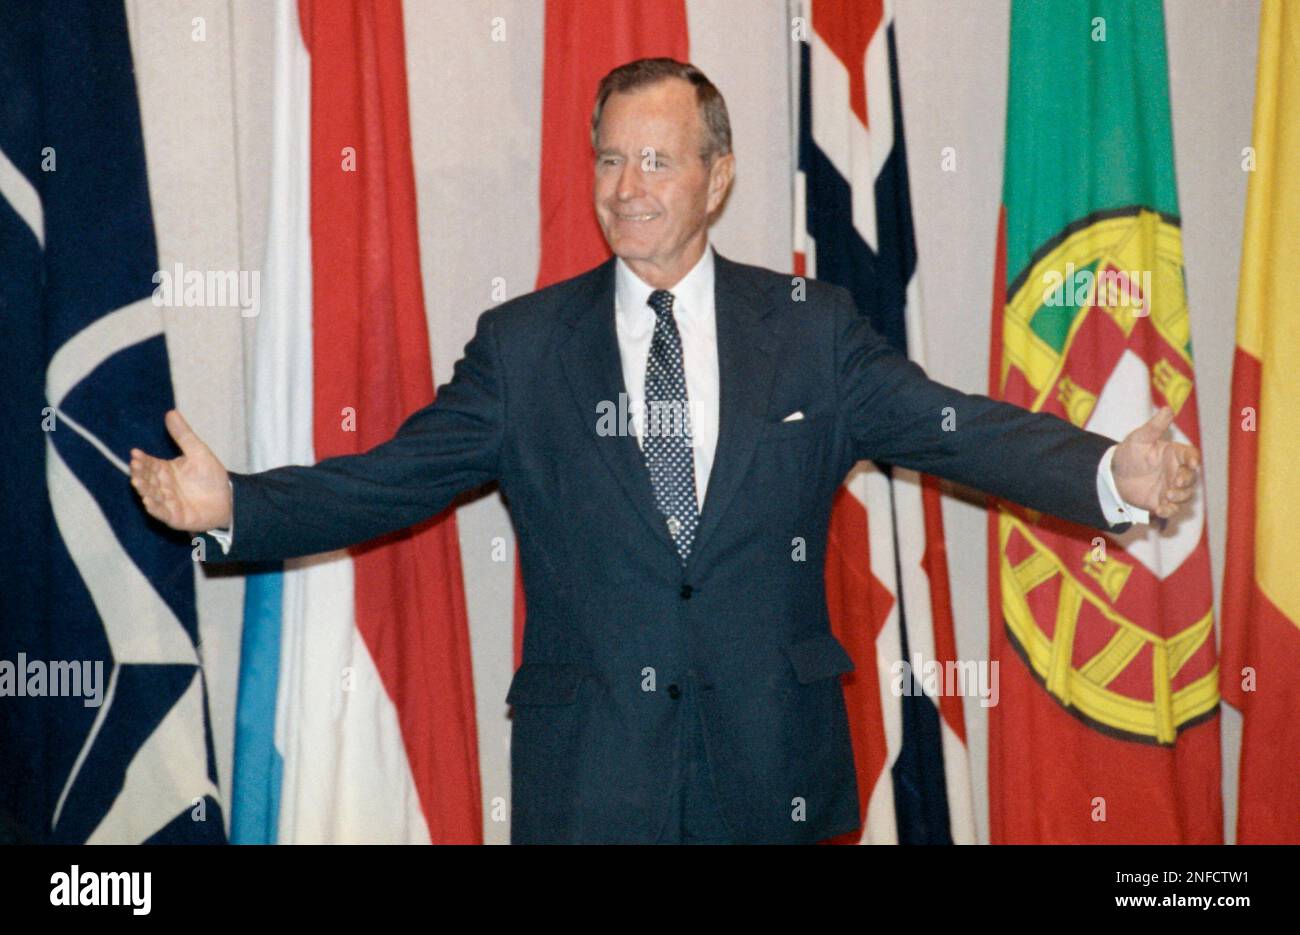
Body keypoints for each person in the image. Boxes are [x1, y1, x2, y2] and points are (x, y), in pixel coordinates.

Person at [130, 58, 1201, 844]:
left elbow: (954, 427)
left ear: (718, 174)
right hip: (590, 780)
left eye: (655, 159)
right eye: (608, 158)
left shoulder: (810, 326)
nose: (626, 184)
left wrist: (1109, 469)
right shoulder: (525, 345)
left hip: (769, 769)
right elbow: (396, 478)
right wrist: (240, 504)